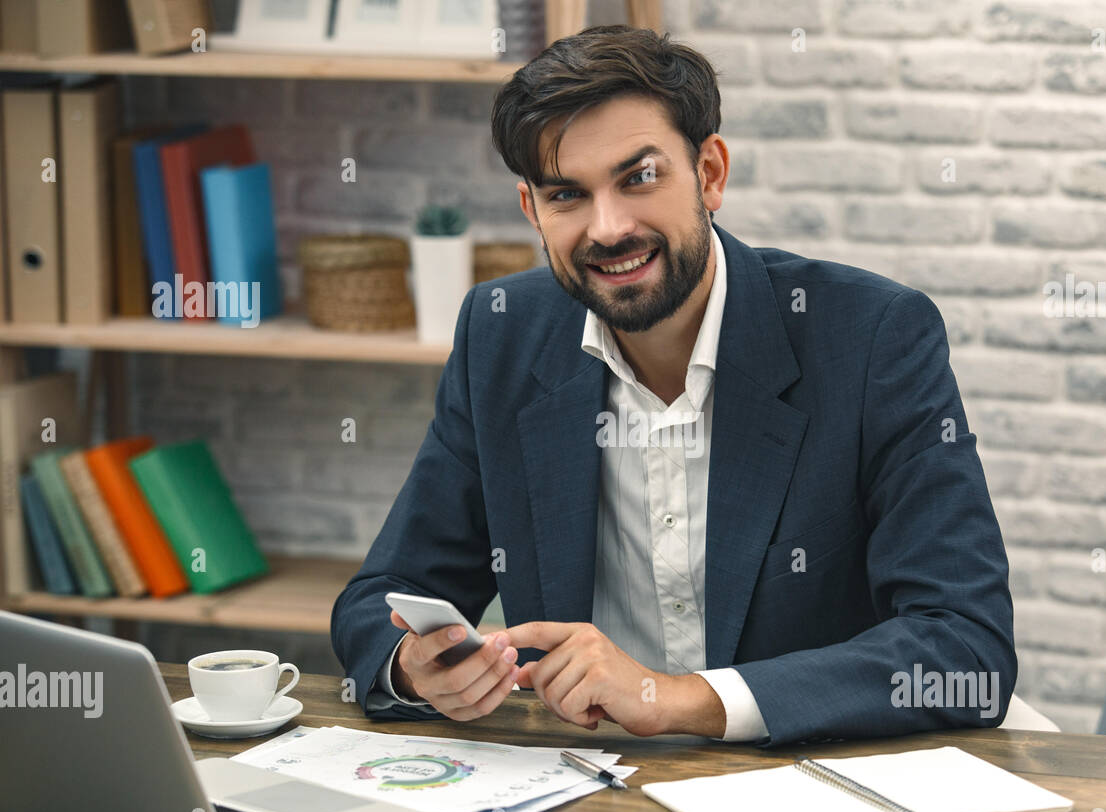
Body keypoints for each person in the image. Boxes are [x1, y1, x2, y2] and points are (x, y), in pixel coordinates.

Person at [330, 25, 1016, 747]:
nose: (608, 227)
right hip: (585, 795)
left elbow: (965, 649)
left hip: (808, 787)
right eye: (567, 194)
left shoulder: (874, 337)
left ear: (710, 173)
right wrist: (415, 665)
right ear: (533, 211)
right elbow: (380, 599)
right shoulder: (501, 336)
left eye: (640, 177)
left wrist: (681, 700)